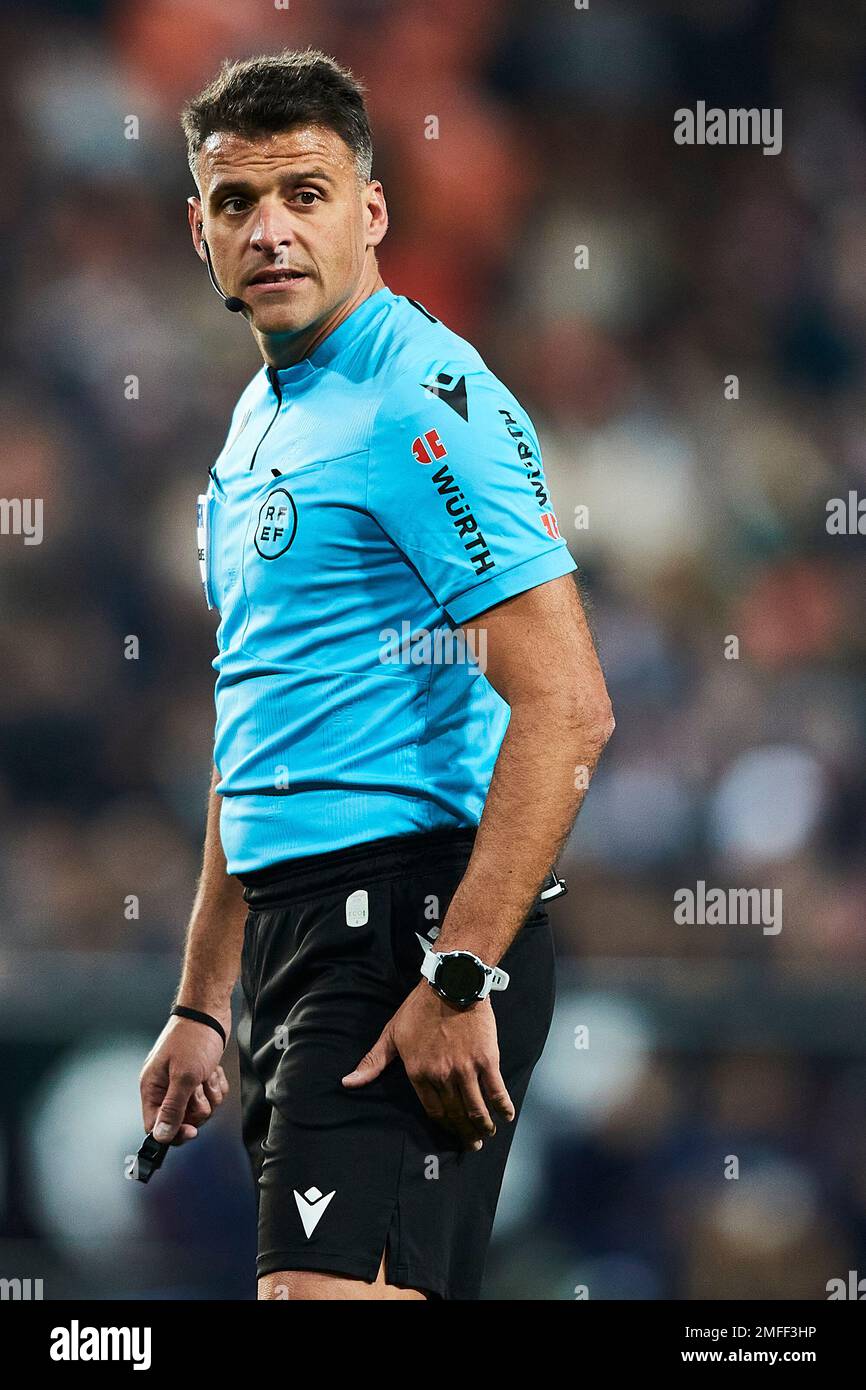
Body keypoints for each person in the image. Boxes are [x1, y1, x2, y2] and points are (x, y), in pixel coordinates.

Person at [139, 46, 614, 1301]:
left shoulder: (422, 402)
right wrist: (202, 1000)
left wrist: (460, 971)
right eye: (237, 201)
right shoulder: (263, 416)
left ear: (373, 211)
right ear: (199, 230)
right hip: (298, 937)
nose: (270, 230)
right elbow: (261, 726)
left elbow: (568, 707)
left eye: (305, 193)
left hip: (408, 926)